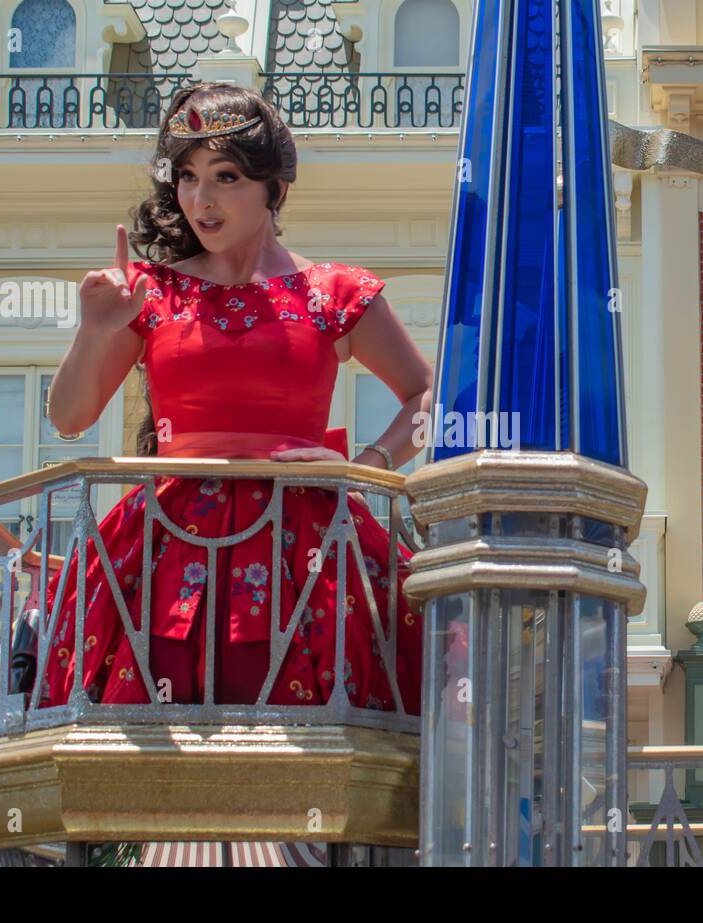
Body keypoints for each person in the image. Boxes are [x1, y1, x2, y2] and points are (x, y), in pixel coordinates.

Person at [35, 82, 432, 712]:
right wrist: (93, 331)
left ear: (276, 187)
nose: (200, 199)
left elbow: (427, 398)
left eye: (225, 177)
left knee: (322, 734)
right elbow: (69, 417)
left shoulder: (338, 291)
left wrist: (367, 466)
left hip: (308, 541)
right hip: (168, 542)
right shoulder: (147, 292)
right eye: (187, 177)